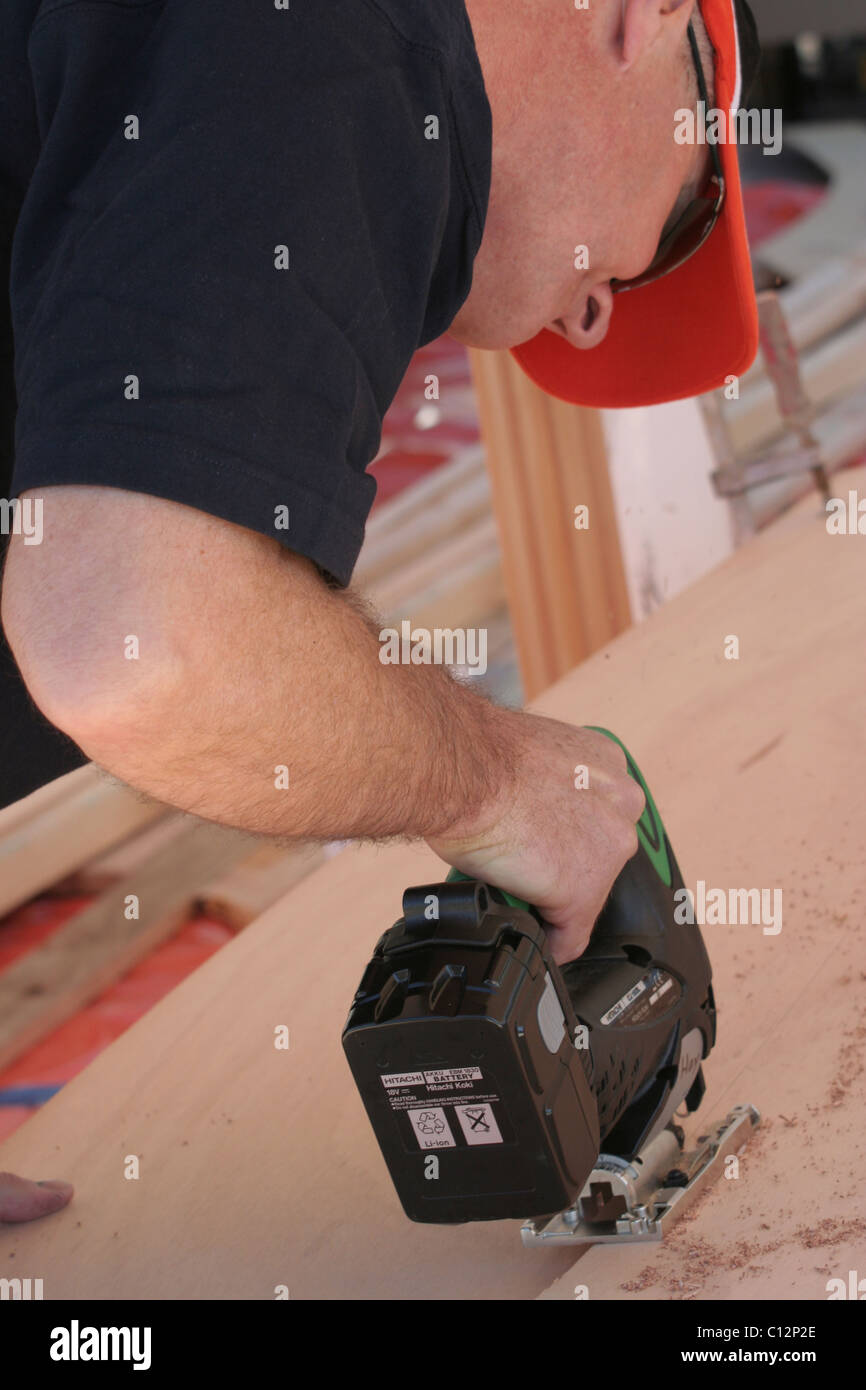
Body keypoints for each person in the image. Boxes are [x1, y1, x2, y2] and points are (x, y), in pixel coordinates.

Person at [0, 0, 759, 1221]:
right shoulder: (335, 42)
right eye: (679, 221)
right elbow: (139, 646)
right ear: (640, 15)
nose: (596, 312)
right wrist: (495, 781)